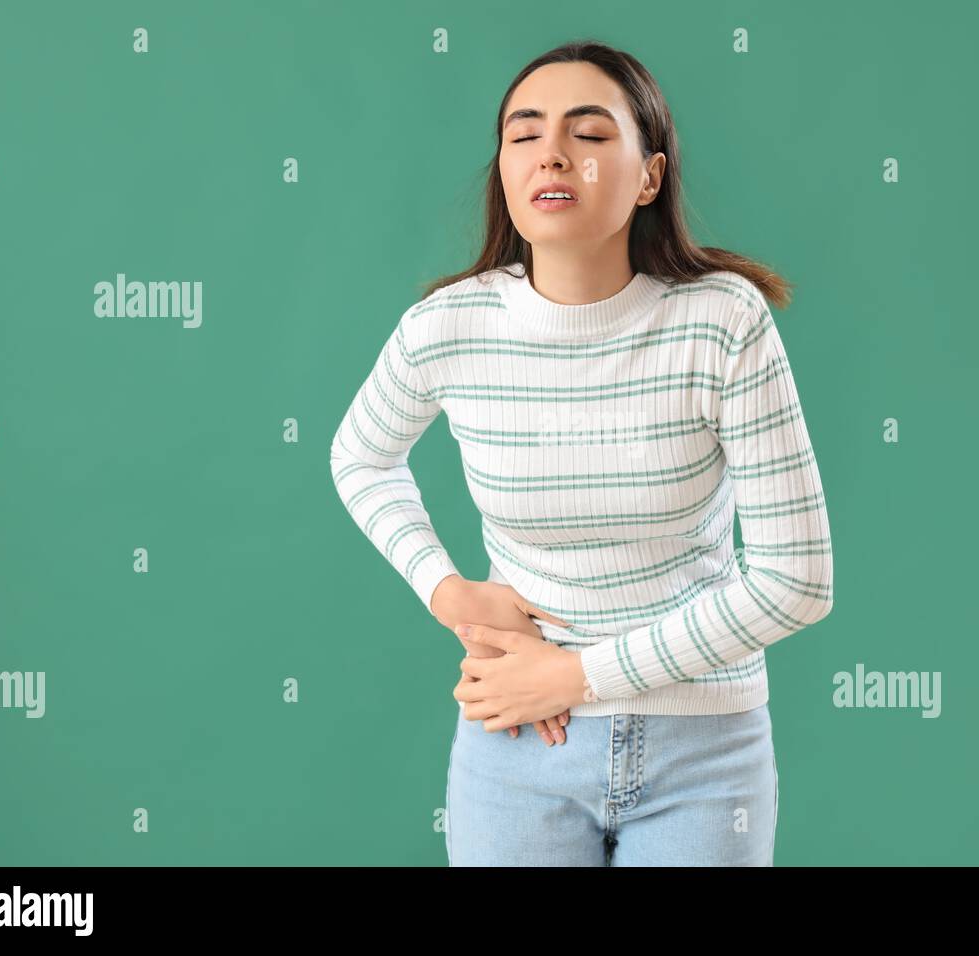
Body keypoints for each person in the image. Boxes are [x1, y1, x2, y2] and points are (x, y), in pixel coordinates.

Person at [329, 39, 834, 866]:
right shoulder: (446, 327)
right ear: (503, 172)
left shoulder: (722, 321)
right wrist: (447, 591)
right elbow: (360, 457)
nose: (552, 151)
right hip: (515, 743)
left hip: (702, 750)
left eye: (591, 133)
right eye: (524, 134)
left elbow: (797, 583)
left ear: (649, 176)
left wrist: (577, 677)